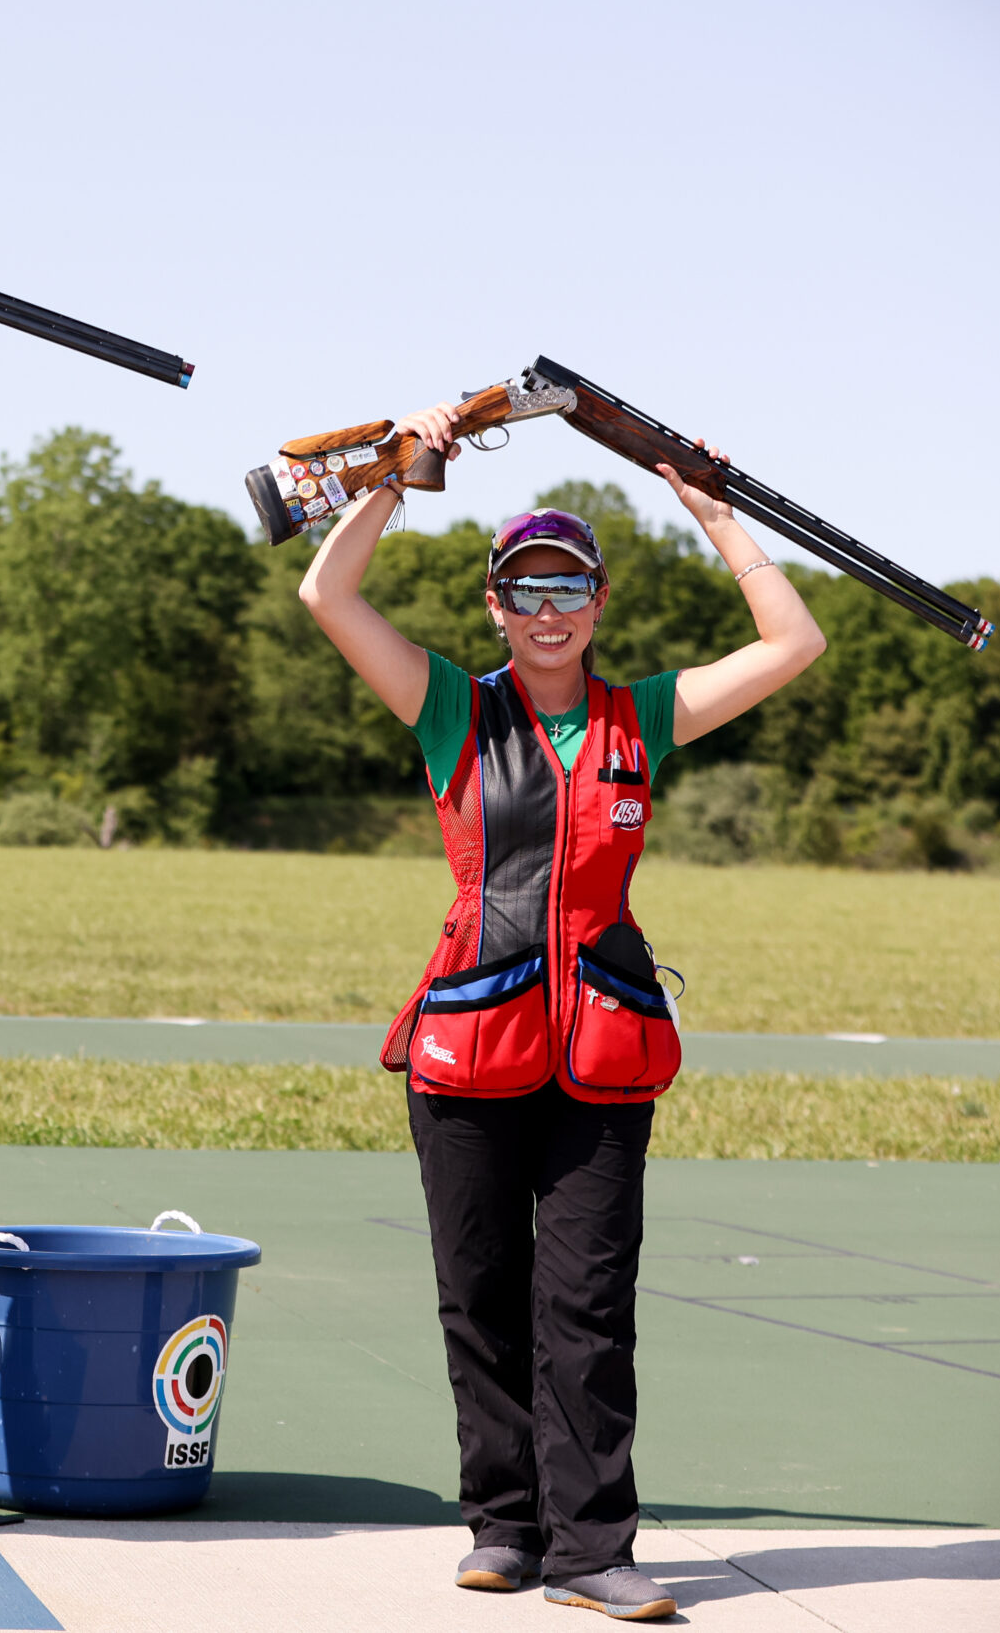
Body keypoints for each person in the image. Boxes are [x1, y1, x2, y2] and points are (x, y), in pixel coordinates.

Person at [297, 406, 825, 1622]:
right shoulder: (448, 709)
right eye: (525, 590)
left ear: (597, 604)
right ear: (494, 605)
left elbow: (790, 639)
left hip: (601, 1055)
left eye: (570, 589)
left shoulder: (645, 714)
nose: (548, 611)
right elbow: (329, 594)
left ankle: (593, 1549)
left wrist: (712, 511)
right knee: (478, 1293)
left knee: (586, 1305)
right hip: (465, 1046)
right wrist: (394, 476)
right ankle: (503, 1523)